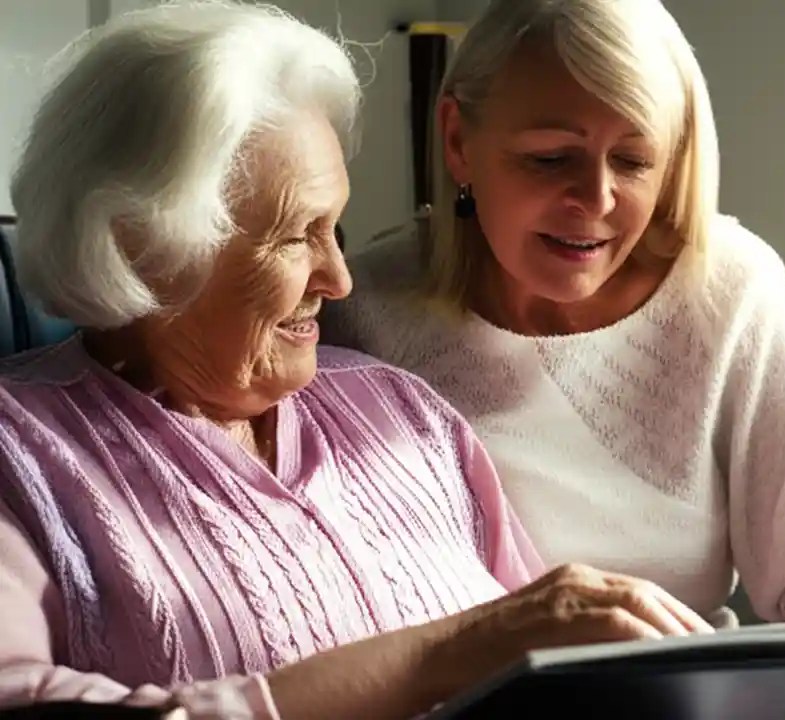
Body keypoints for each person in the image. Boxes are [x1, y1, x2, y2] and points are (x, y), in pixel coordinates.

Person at [0, 3, 712, 719]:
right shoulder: (20, 454)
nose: (338, 279)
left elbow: (551, 663)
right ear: (141, 245)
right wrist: (437, 656)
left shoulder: (404, 412)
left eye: (333, 227)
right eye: (293, 237)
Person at [321, 0, 785, 718]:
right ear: (458, 139)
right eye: (551, 158)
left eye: (635, 160)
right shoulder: (357, 308)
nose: (597, 199)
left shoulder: (729, 286)